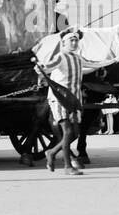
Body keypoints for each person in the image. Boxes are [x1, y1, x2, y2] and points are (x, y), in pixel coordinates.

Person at [34, 27, 85, 175]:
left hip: (74, 100)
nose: (74, 42)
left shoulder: (78, 58)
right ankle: (68, 167)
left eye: (76, 40)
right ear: (64, 42)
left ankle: (52, 152)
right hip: (60, 99)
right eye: (71, 40)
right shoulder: (61, 57)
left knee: (75, 133)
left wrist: (114, 60)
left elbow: (94, 64)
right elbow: (48, 66)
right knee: (68, 131)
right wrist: (41, 68)